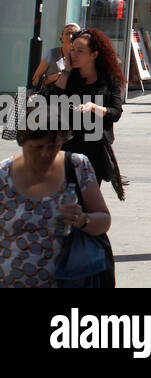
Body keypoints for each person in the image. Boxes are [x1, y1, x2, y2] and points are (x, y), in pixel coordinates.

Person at [0, 100, 112, 288]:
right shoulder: (3, 175)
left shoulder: (76, 166)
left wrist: (83, 219)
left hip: (67, 283)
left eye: (53, 146)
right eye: (37, 147)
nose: (45, 154)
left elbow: (104, 220)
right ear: (22, 141)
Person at [49, 28, 125, 198]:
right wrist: (66, 71)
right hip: (67, 145)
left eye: (80, 51)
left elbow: (116, 113)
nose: (74, 54)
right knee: (65, 197)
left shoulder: (108, 79)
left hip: (94, 149)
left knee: (87, 200)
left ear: (94, 55)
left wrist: (94, 108)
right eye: (73, 50)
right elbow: (53, 99)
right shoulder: (69, 76)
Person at [31, 23, 78, 88]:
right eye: (67, 33)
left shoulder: (80, 57)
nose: (70, 36)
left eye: (74, 34)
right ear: (61, 37)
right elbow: (34, 81)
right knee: (21, 93)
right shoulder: (52, 53)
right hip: (50, 96)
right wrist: (53, 77)